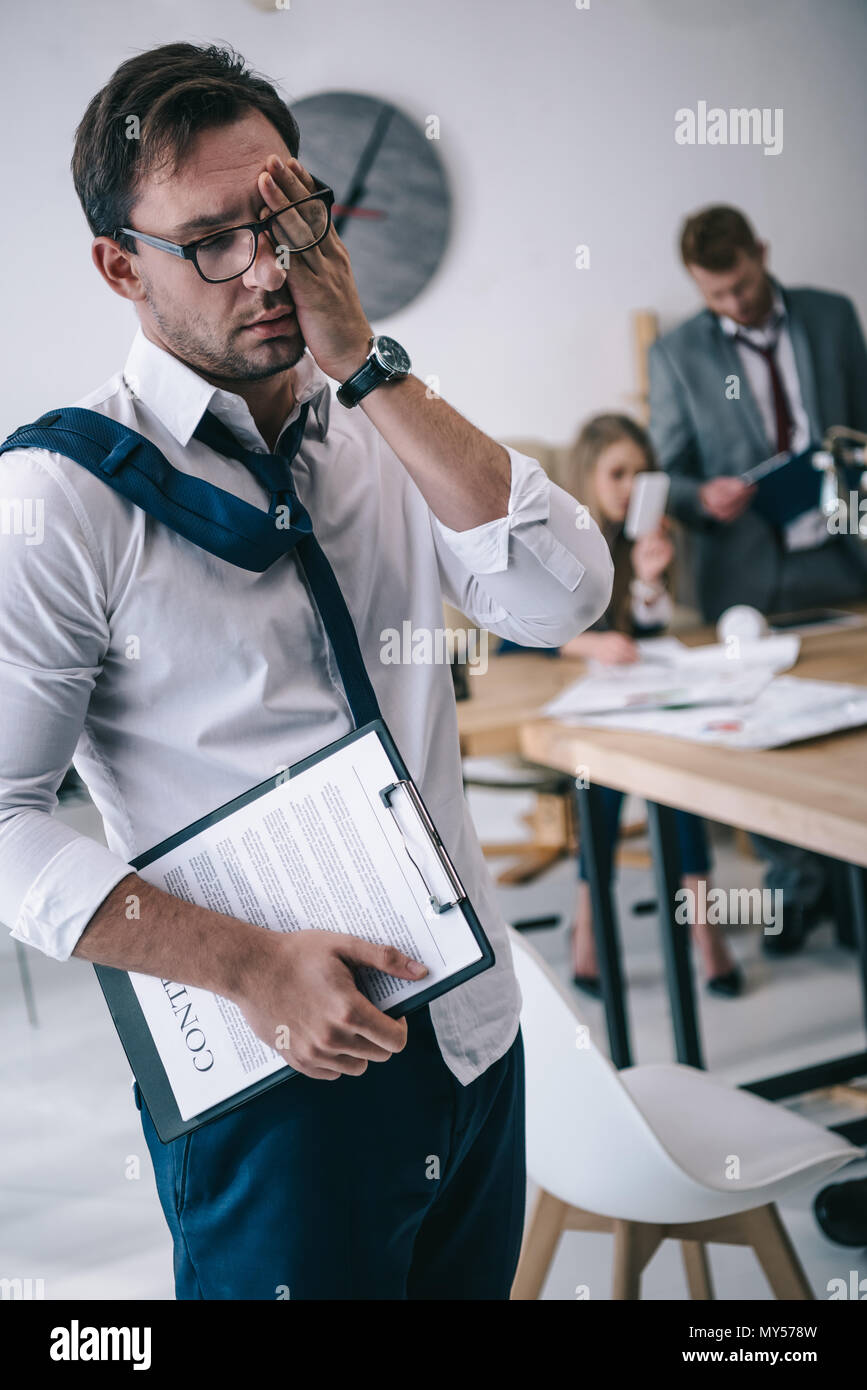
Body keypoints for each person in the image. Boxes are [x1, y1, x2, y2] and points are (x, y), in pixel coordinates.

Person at [0, 43, 615, 1300]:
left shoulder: (383, 418)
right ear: (122, 266)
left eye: (288, 215)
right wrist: (244, 964)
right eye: (214, 239)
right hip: (274, 1076)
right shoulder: (55, 500)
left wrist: (372, 366)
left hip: (469, 1036)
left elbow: (563, 598)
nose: (272, 266)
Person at [649, 205, 867, 955]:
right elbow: (666, 473)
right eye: (716, 297)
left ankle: (854, 885)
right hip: (745, 570)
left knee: (854, 719)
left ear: (759, 255)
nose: (733, 305)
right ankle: (795, 892)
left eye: (740, 287)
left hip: (844, 556)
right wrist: (699, 496)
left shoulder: (832, 316)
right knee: (768, 733)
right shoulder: (678, 352)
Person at [502, 414, 743, 998]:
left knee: (674, 766)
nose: (631, 486)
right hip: (569, 703)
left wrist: (652, 580)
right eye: (617, 473)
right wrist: (589, 642)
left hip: (631, 699)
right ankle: (591, 923)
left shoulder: (644, 537)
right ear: (588, 476)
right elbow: (511, 635)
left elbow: (648, 627)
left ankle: (698, 921)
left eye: (642, 473)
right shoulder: (550, 537)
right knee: (604, 776)